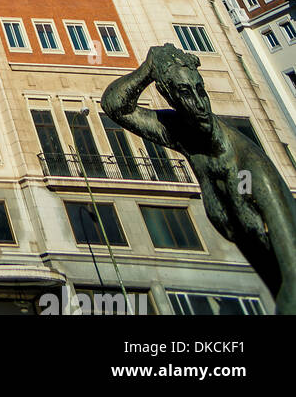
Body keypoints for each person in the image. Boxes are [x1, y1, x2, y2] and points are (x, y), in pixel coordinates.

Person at [102, 43, 296, 313]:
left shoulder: (251, 171)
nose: (200, 104)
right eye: (185, 93)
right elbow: (116, 106)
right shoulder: (185, 137)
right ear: (169, 96)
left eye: (200, 90)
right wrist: (149, 69)